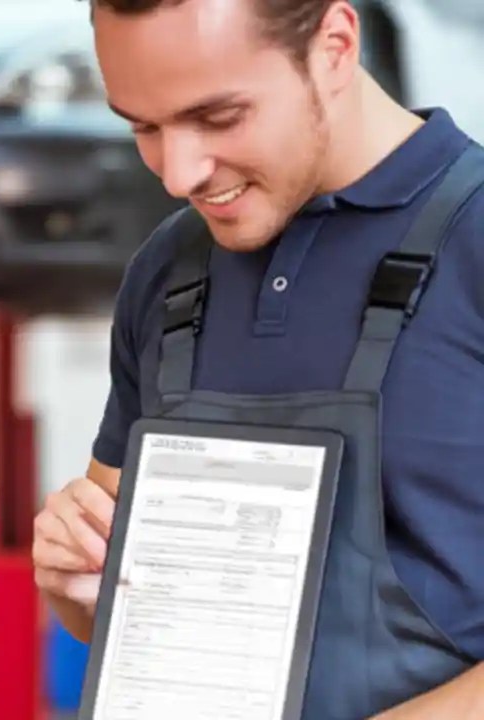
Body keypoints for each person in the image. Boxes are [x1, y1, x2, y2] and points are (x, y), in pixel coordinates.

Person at [32, 0, 484, 717]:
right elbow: (127, 626)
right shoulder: (167, 270)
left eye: (218, 117)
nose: (179, 173)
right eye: (143, 126)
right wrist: (81, 588)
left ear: (334, 47)